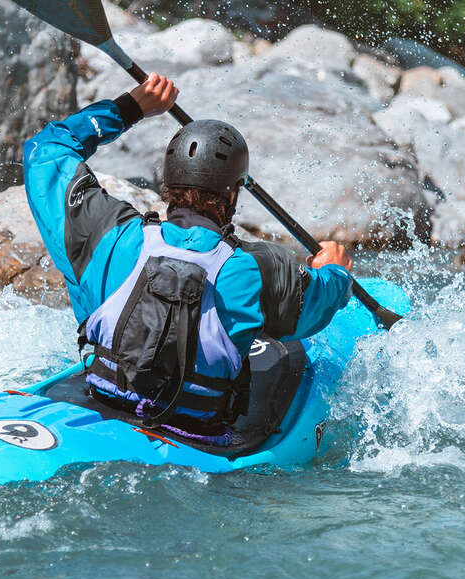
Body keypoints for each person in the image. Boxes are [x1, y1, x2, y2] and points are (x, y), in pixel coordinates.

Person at [23, 73, 354, 445]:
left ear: (167, 183)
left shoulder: (108, 234)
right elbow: (316, 307)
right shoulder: (262, 268)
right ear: (232, 197)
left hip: (100, 403)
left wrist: (129, 107)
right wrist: (335, 271)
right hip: (196, 435)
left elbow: (45, 151)